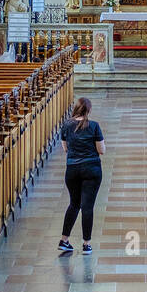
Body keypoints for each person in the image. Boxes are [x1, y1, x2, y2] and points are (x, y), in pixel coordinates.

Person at [58, 97, 105, 255]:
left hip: (72, 169)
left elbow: (65, 148)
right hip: (91, 169)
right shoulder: (93, 126)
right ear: (88, 111)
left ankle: (64, 240)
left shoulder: (66, 125)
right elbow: (101, 150)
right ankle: (86, 244)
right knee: (87, 207)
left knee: (74, 204)